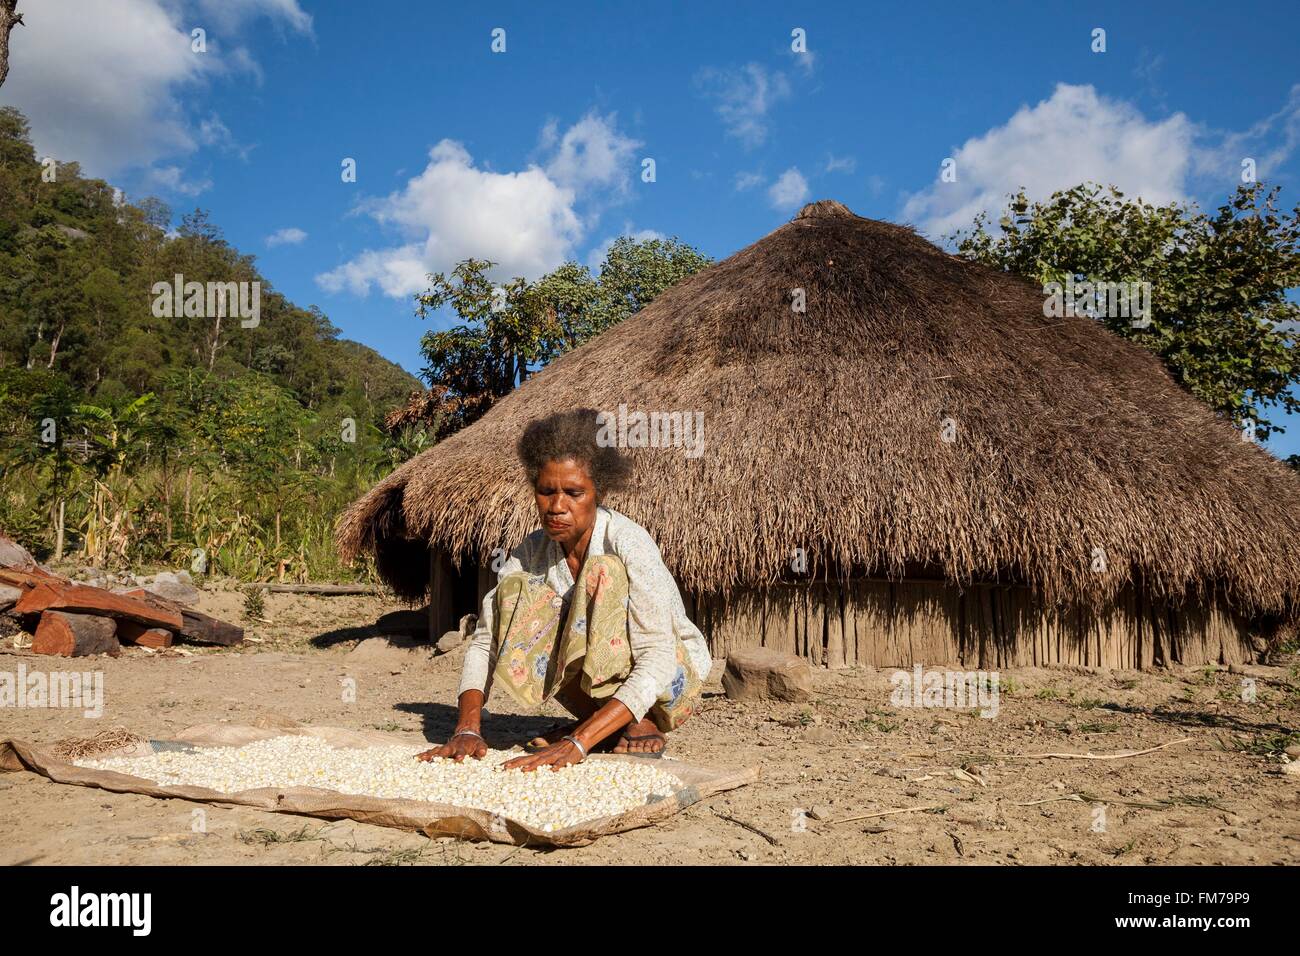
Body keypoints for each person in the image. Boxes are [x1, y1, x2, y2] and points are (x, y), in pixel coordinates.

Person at [416, 408, 711, 771]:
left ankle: (633, 721)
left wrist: (577, 743)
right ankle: (601, 724)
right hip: (596, 692)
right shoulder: (531, 553)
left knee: (604, 573)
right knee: (514, 592)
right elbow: (486, 640)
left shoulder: (627, 542)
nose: (557, 506)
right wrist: (468, 728)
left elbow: (658, 656)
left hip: (668, 685)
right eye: (546, 492)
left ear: (598, 491)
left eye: (574, 493)